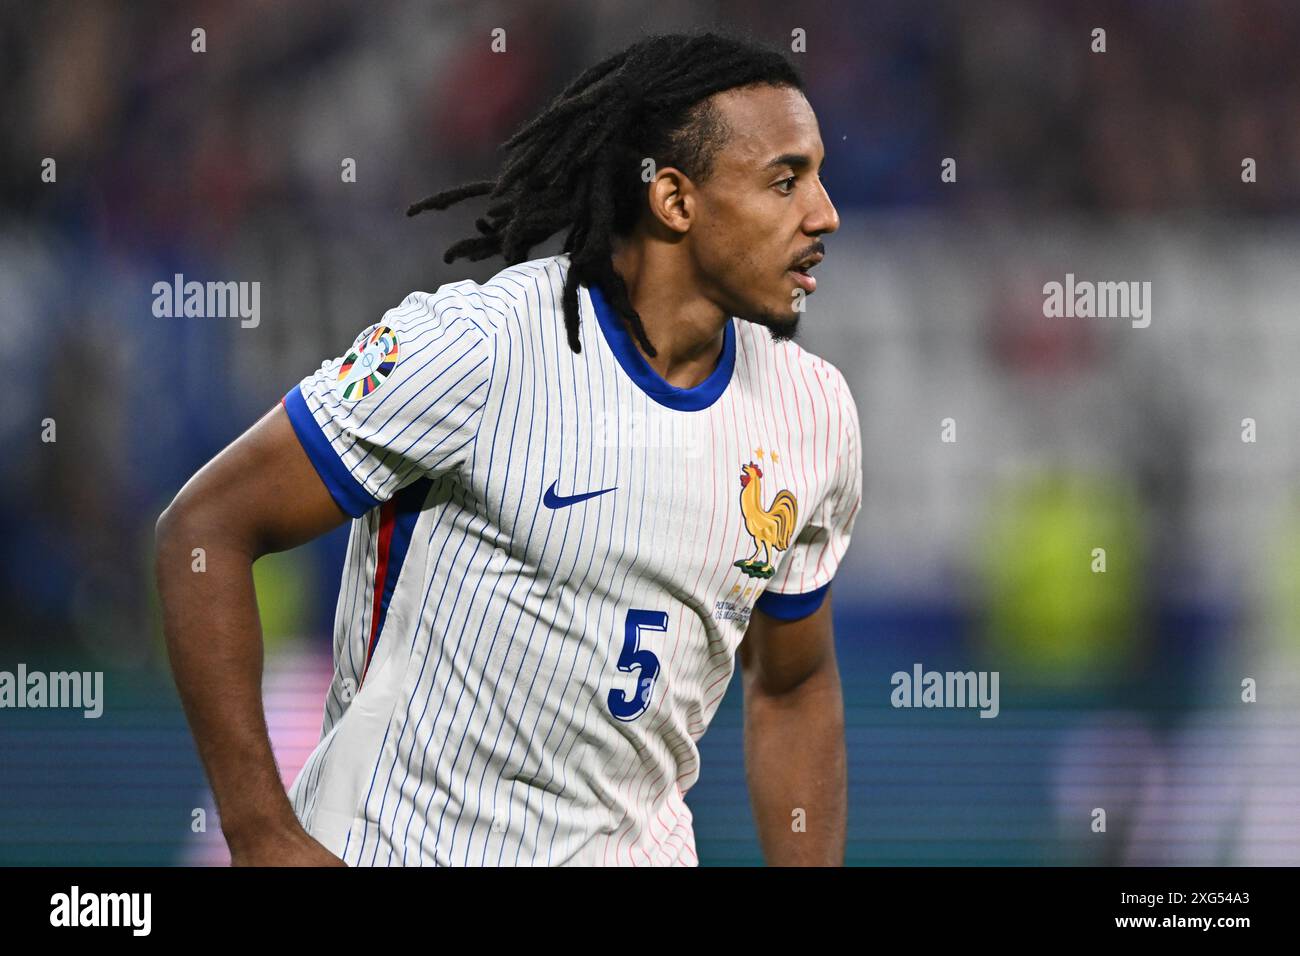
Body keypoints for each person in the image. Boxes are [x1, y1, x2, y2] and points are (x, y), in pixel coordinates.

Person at [155, 30, 861, 866]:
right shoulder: (479, 349)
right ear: (675, 200)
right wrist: (262, 833)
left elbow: (791, 685)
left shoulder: (813, 413)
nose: (824, 214)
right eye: (786, 182)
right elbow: (204, 530)